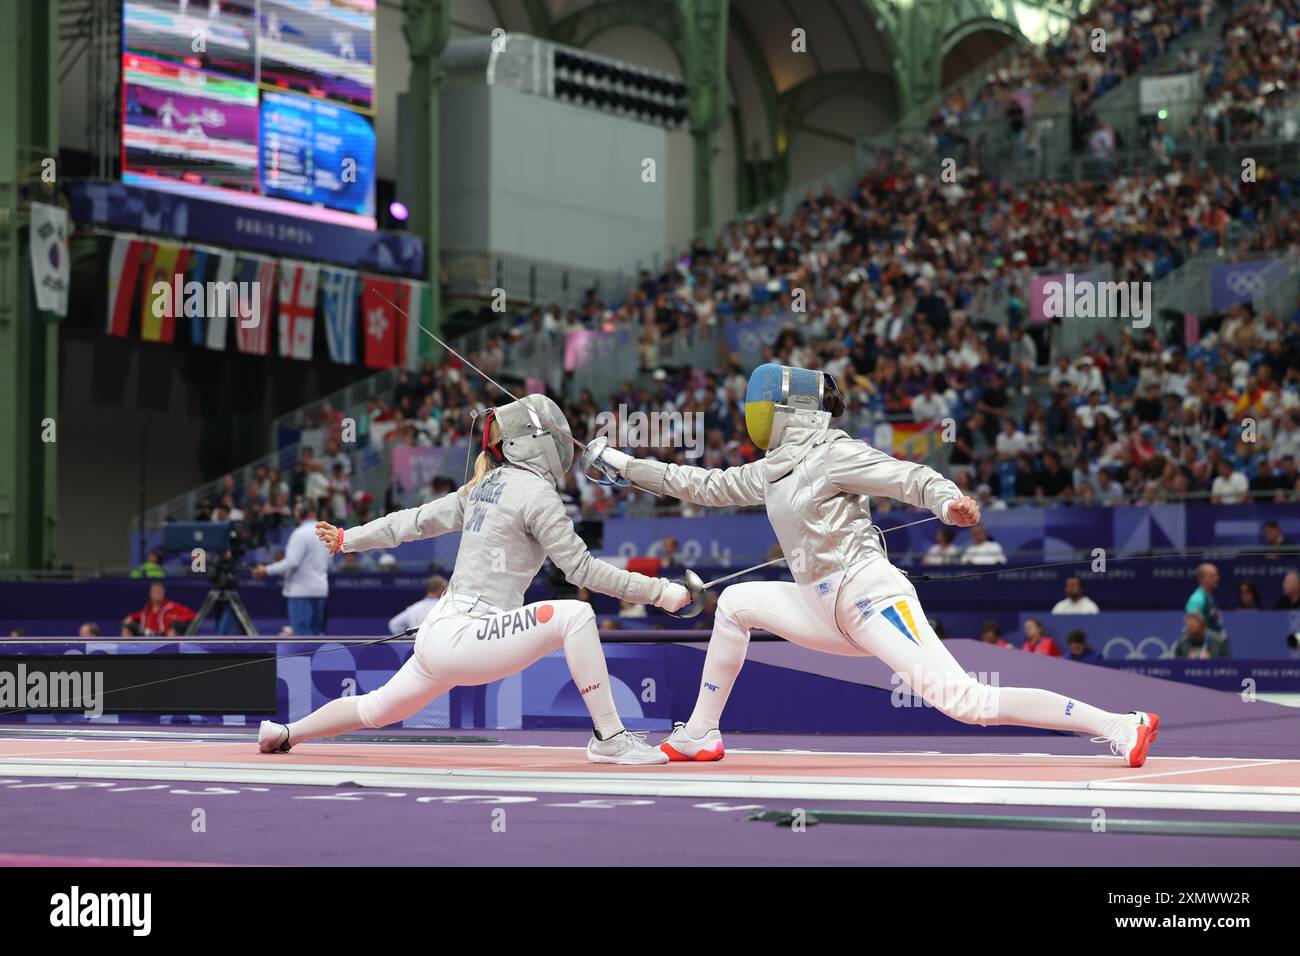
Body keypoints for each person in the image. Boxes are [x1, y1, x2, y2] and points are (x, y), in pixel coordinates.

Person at [585, 362, 1159, 767]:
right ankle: (701, 733)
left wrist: (947, 501)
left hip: (869, 598)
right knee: (734, 604)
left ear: (787, 410)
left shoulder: (833, 451)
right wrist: (618, 462)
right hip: (817, 606)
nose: (752, 418)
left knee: (965, 702)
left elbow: (907, 475)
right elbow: (699, 483)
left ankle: (1118, 724)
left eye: (760, 408)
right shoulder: (770, 470)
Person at [258, 394, 689, 765]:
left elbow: (414, 521)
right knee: (575, 615)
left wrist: (349, 538)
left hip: (438, 633)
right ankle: (610, 738)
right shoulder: (536, 494)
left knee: (376, 707)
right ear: (542, 443)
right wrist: (662, 592)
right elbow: (583, 571)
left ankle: (286, 732)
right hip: (470, 636)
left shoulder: (482, 486)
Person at [254, 501, 331, 636]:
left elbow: (291, 562)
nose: (295, 513)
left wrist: (266, 570)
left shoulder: (300, 533)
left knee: (302, 638)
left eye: (297, 510)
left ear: (304, 513)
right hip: (320, 590)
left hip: (301, 592)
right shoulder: (325, 532)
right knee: (317, 636)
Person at [122, 582, 195, 637]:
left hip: (163, 637)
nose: (158, 593)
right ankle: (127, 653)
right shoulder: (147, 609)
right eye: (156, 591)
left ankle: (171, 654)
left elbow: (192, 615)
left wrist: (176, 620)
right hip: (147, 636)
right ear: (150, 594)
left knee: (173, 630)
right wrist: (130, 618)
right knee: (127, 626)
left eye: (160, 591)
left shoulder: (172, 606)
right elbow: (138, 615)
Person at [1184, 563, 1225, 643]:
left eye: (1216, 575)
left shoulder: (1208, 596)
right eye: (1212, 576)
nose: (1217, 579)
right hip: (1203, 648)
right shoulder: (1198, 599)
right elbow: (1192, 626)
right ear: (1202, 579)